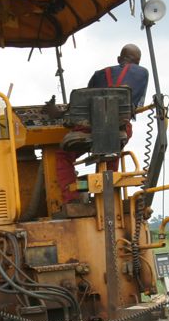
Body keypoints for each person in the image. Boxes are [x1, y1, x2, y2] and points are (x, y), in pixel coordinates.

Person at [54, 44, 150, 204]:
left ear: (119, 59)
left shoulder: (98, 75)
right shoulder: (142, 73)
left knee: (62, 154)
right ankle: (109, 196)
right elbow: (135, 107)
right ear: (138, 61)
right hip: (120, 127)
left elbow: (85, 106)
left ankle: (71, 199)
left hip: (90, 128)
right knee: (113, 147)